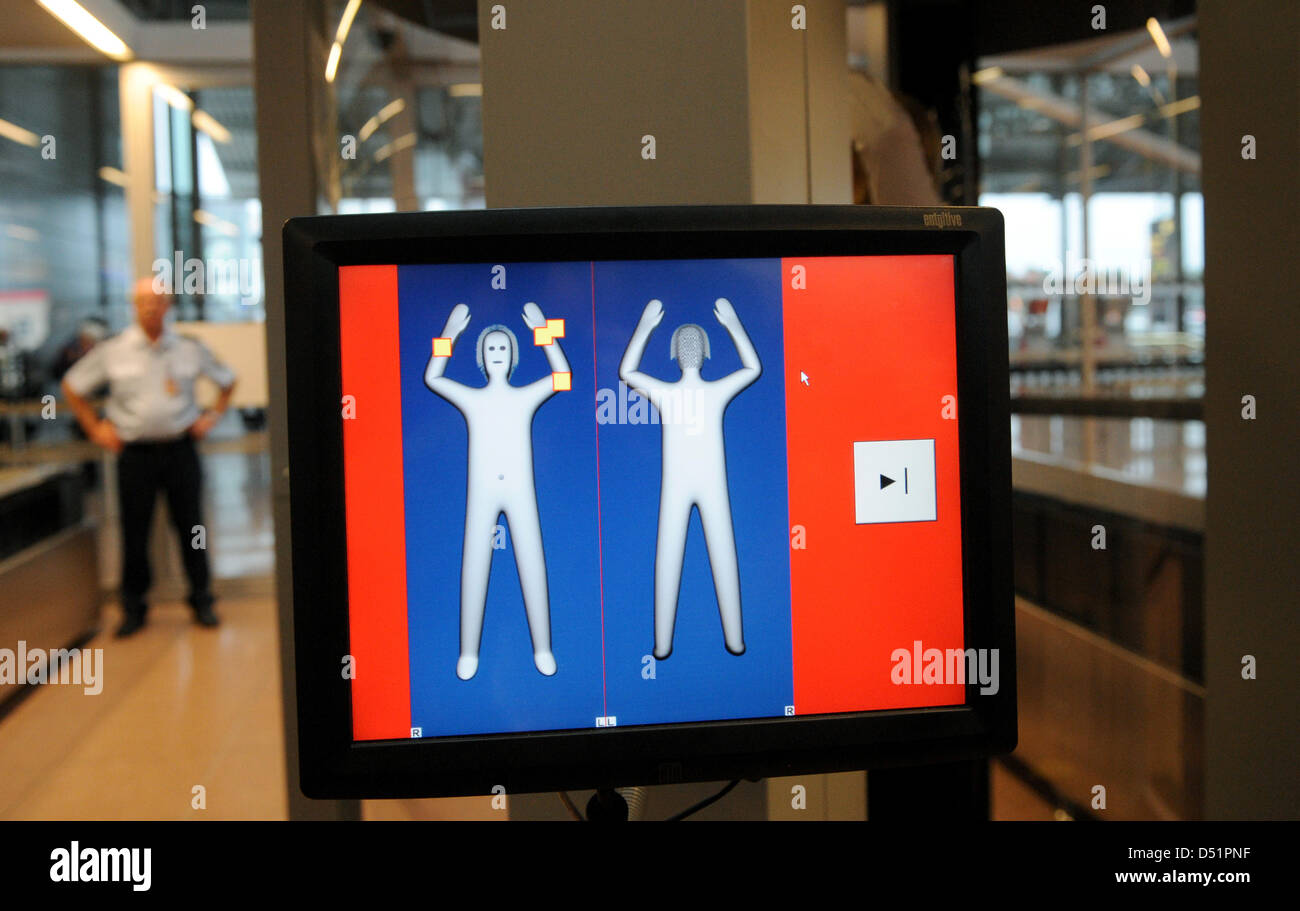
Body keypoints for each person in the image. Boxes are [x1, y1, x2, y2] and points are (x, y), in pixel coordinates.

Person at [62, 278, 237, 637]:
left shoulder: (188, 348)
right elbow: (73, 386)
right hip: (135, 456)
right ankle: (134, 608)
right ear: (133, 306)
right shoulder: (115, 350)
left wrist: (211, 417)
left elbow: (227, 381)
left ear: (168, 306)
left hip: (180, 451)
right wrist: (96, 429)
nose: (150, 308)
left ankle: (201, 599)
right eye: (143, 302)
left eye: (157, 302)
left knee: (193, 529)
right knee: (134, 532)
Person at [422, 301, 570, 681]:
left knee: (532, 564)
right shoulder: (472, 399)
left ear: (514, 356)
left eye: (503, 348)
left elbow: (563, 375)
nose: (497, 354)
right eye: (490, 349)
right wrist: (449, 335)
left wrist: (544, 332)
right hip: (482, 495)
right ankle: (468, 652)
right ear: (481, 359)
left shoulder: (525, 397)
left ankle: (543, 648)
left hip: (521, 494)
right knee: (474, 566)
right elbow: (434, 378)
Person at [619, 297, 761, 660]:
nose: (689, 349)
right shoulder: (668, 394)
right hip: (678, 488)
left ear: (704, 351)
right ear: (675, 354)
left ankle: (735, 640)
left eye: (694, 343)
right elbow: (628, 373)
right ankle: (663, 645)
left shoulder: (711, 391)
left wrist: (732, 323)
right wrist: (645, 326)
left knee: (722, 553)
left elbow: (752, 368)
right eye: (684, 343)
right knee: (669, 554)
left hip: (710, 486)